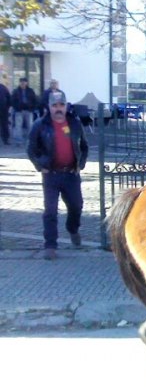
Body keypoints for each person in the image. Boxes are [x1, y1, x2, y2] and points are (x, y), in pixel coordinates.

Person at [26, 91, 89, 260]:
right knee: (50, 211)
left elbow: (84, 146)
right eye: (54, 105)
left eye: (61, 105)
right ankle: (50, 245)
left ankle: (72, 229)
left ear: (66, 105)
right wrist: (40, 166)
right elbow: (31, 149)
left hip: (71, 174)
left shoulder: (75, 124)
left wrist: (80, 164)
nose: (58, 109)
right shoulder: (40, 125)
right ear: (49, 107)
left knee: (76, 207)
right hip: (51, 175)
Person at [11, 77, 38, 146]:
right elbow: (12, 101)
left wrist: (33, 108)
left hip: (28, 111)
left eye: (24, 82)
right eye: (21, 82)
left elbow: (35, 100)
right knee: (18, 126)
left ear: (26, 83)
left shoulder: (30, 91)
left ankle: (30, 141)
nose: (23, 83)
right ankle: (19, 142)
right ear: (19, 83)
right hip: (19, 111)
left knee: (30, 126)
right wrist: (16, 108)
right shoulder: (16, 91)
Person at [0, 79, 10, 145]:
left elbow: (9, 98)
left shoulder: (3, 87)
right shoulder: (3, 87)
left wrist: (7, 107)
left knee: (4, 125)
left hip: (3, 109)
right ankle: (5, 139)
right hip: (4, 109)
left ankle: (5, 139)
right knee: (4, 125)